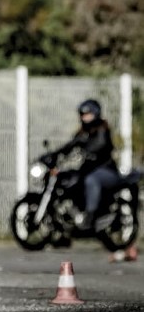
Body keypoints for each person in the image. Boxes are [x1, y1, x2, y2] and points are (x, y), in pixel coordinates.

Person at [53, 99, 121, 231]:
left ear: (95, 113)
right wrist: (54, 154)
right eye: (83, 114)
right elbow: (72, 144)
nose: (85, 117)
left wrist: (87, 151)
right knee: (72, 178)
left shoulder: (102, 129)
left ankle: (90, 216)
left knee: (91, 180)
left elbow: (100, 144)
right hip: (89, 169)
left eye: (88, 114)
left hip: (107, 171)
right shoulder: (83, 132)